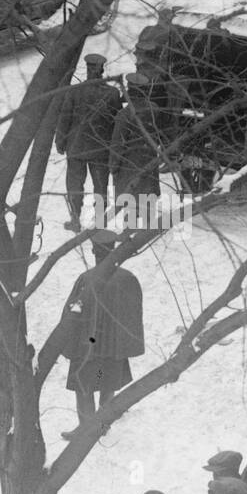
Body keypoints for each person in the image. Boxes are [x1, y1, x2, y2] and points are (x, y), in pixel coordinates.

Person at [45, 229, 144, 438]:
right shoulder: (129, 280)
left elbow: (72, 314)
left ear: (95, 252)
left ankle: (86, 430)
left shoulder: (87, 279)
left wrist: (68, 345)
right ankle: (102, 425)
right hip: (115, 349)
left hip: (88, 349)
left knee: (84, 389)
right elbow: (134, 314)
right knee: (108, 384)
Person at [56, 53, 121, 231]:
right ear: (102, 70)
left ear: (87, 70)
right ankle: (100, 222)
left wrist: (60, 141)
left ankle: (75, 220)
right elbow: (117, 122)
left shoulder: (74, 91)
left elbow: (64, 118)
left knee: (74, 186)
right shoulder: (113, 93)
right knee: (100, 186)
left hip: (76, 148)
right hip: (101, 149)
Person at [108, 76, 161, 224]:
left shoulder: (124, 115)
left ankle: (129, 236)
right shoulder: (155, 109)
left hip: (128, 165)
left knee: (131, 201)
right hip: (150, 162)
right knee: (148, 199)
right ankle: (148, 231)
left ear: (130, 92)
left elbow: (117, 144)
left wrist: (113, 166)